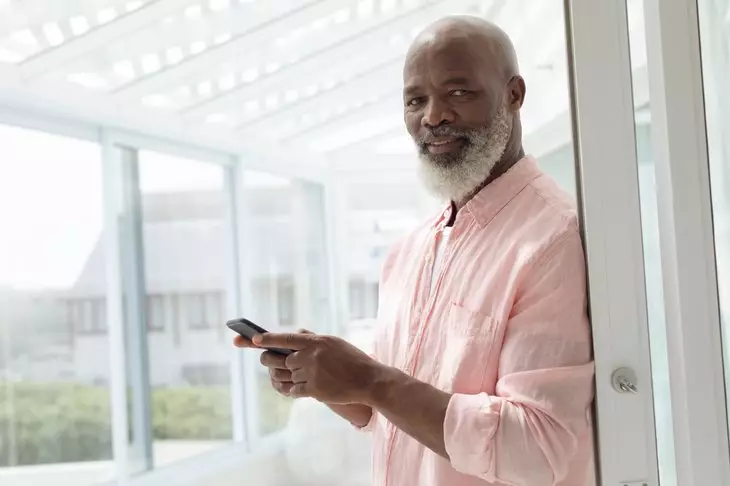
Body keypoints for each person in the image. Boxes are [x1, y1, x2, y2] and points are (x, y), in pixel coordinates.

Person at [234, 15, 595, 486]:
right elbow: (395, 411)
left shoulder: (552, 238)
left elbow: (539, 450)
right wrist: (327, 378)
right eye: (415, 100)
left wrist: (370, 379)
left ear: (514, 94)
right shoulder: (410, 251)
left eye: (458, 92)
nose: (433, 116)